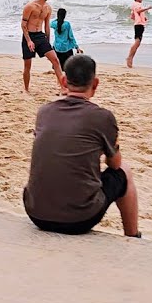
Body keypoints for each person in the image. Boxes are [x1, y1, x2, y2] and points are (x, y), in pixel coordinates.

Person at [23, 54, 140, 237]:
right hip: (79, 218)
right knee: (125, 171)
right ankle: (133, 236)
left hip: (36, 213)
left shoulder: (44, 112)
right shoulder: (103, 117)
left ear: (63, 81)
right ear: (95, 84)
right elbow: (115, 165)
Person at [20, 0, 65, 93]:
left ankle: (63, 87)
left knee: (55, 60)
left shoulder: (48, 8)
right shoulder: (30, 6)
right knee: (27, 65)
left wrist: (48, 42)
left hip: (40, 36)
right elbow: (23, 25)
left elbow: (46, 26)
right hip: (29, 36)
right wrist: (29, 41)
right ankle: (26, 89)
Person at [125, 0, 151, 69]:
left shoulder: (135, 5)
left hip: (139, 24)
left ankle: (130, 58)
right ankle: (129, 58)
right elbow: (138, 11)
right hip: (139, 25)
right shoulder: (137, 4)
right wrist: (147, 8)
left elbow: (132, 15)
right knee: (137, 42)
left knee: (138, 42)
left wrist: (142, 18)